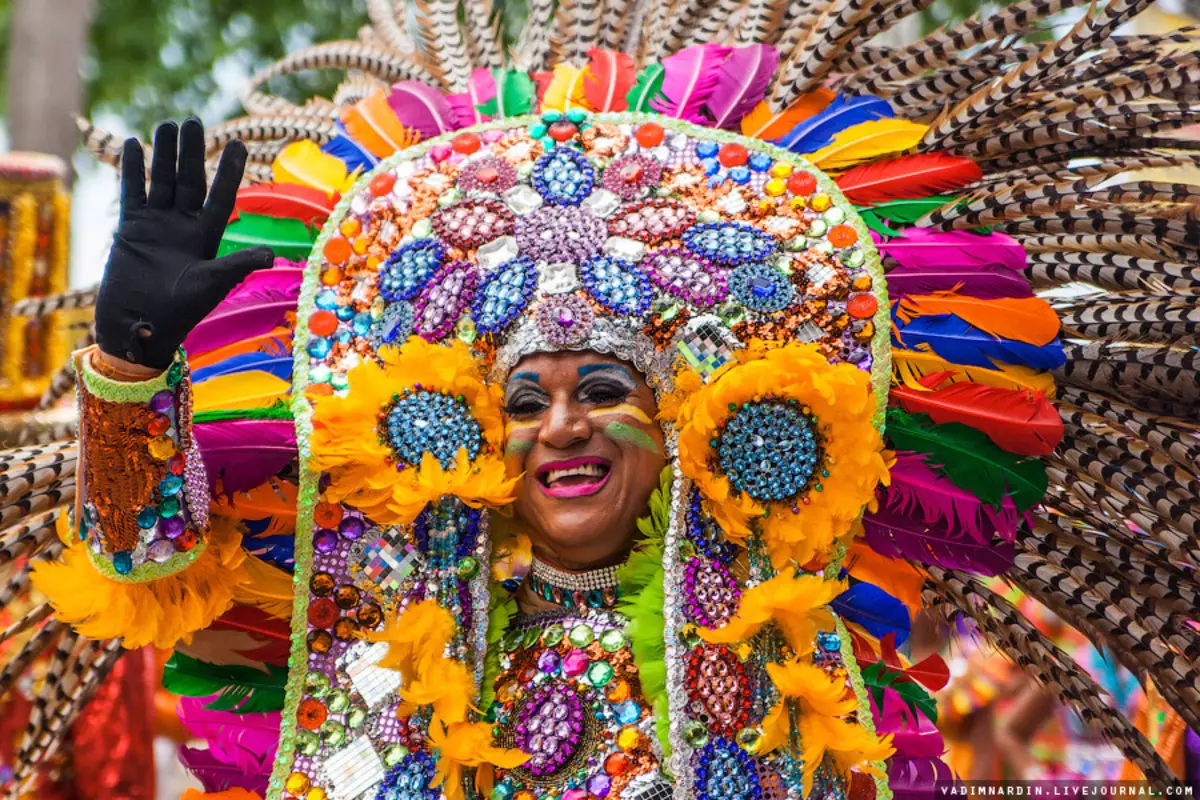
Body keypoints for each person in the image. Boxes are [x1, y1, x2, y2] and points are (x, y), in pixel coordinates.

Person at [3, 2, 1199, 798]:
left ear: (683, 421)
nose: (564, 425)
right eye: (526, 400)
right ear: (475, 428)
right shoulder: (376, 599)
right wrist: (130, 368)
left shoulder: (788, 634)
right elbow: (147, 561)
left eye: (607, 389)